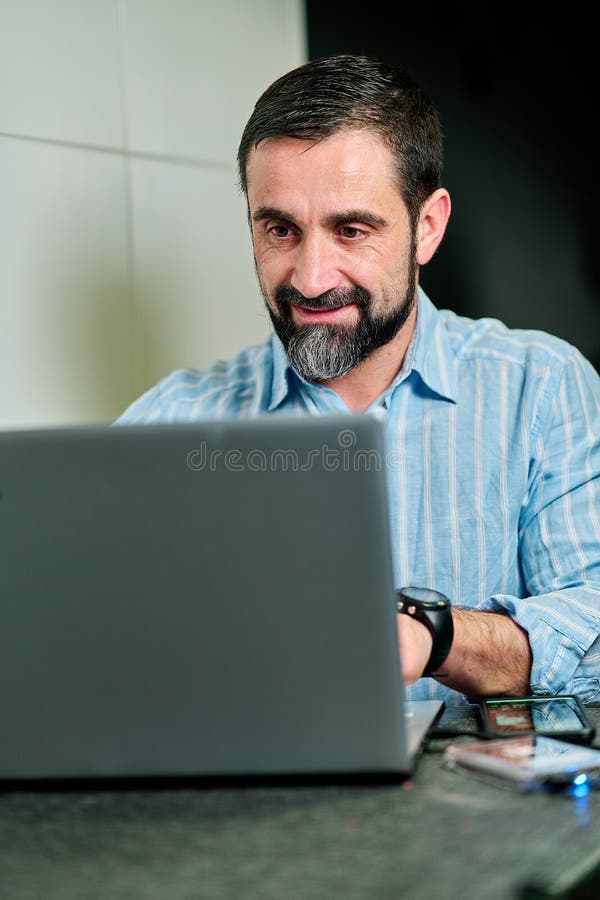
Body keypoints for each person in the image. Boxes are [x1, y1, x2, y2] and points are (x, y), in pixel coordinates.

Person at [117, 54, 600, 706]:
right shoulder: (174, 421)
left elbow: (594, 629)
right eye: (280, 230)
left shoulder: (538, 389)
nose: (311, 278)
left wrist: (435, 638)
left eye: (351, 230)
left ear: (427, 227)